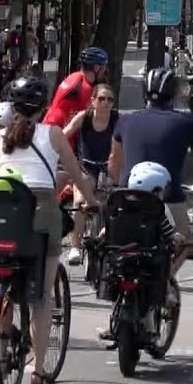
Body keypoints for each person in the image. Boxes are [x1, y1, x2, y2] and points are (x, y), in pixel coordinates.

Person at [0, 76, 97, 384]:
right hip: (40, 210)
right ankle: (38, 372)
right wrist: (91, 202)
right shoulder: (53, 134)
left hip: (4, 212)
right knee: (42, 297)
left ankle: (5, 352)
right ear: (43, 107)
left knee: (5, 284)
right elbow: (75, 174)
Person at [110, 67, 193, 253]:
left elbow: (114, 160)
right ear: (173, 94)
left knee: (112, 234)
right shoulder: (186, 122)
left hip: (128, 193)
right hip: (168, 194)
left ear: (145, 93)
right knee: (185, 235)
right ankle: (167, 275)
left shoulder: (125, 121)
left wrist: (116, 184)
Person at [62, 83, 119, 265]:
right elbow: (63, 135)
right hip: (86, 167)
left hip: (109, 167)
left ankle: (110, 241)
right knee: (80, 203)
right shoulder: (84, 117)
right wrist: (66, 157)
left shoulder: (118, 119)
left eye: (110, 99)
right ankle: (75, 247)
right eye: (101, 98)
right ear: (93, 100)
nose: (106, 103)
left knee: (115, 203)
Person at [44, 46, 108, 129]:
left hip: (49, 124)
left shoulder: (74, 77)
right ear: (96, 68)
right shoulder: (85, 88)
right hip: (60, 131)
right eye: (103, 67)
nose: (104, 71)